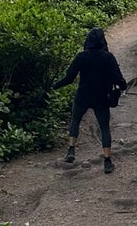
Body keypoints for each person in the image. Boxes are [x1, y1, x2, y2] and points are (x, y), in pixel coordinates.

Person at [51, 28, 127, 174]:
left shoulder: (81, 56)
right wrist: (122, 87)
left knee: (75, 121)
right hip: (101, 97)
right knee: (104, 128)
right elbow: (118, 79)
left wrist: (54, 86)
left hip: (83, 96)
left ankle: (71, 151)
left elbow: (69, 78)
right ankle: (107, 161)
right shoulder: (108, 57)